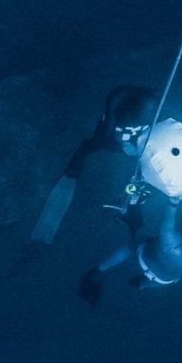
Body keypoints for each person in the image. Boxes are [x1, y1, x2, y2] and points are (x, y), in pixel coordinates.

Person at [28, 85, 159, 246]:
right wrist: (122, 145)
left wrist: (139, 146)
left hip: (132, 143)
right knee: (93, 145)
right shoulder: (118, 103)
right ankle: (74, 167)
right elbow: (105, 136)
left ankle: (128, 207)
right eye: (142, 113)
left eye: (149, 114)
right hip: (112, 138)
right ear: (134, 107)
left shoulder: (155, 114)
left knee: (138, 177)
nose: (146, 117)